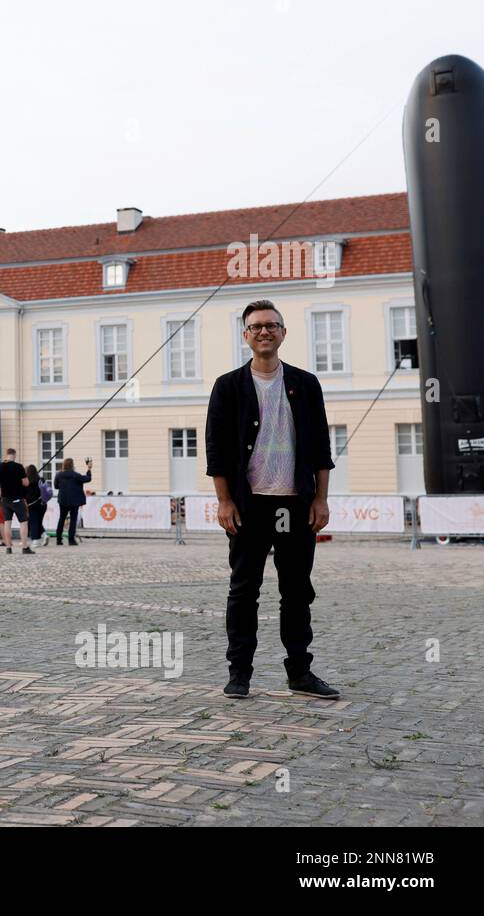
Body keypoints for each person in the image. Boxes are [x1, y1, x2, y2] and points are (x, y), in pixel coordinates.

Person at [206, 299, 339, 701]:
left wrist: (321, 500)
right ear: (245, 335)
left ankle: (300, 672)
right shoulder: (228, 386)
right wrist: (224, 501)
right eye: (256, 326)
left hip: (296, 503)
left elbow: (319, 447)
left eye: (272, 325)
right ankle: (239, 673)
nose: (264, 331)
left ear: (283, 334)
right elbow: (217, 450)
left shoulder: (305, 383)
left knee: (297, 590)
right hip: (249, 506)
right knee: (244, 589)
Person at [0, 448, 35, 555]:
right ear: (14, 455)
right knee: (23, 522)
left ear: (6, 455)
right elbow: (26, 483)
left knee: (7, 522)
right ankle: (25, 547)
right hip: (17, 499)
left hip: (5, 499)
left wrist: (3, 483)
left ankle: (8, 547)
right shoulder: (19, 467)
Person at [53, 456, 91, 545]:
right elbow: (87, 479)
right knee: (73, 520)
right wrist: (89, 469)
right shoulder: (75, 475)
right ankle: (71, 540)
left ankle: (58, 540)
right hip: (74, 501)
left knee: (61, 519)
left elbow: (56, 486)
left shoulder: (59, 475)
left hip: (63, 500)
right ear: (72, 465)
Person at [24, 462, 47, 546]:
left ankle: (35, 540)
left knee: (33, 522)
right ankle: (44, 535)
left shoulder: (27, 482)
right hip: (43, 503)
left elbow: (25, 494)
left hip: (32, 505)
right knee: (38, 521)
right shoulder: (41, 480)